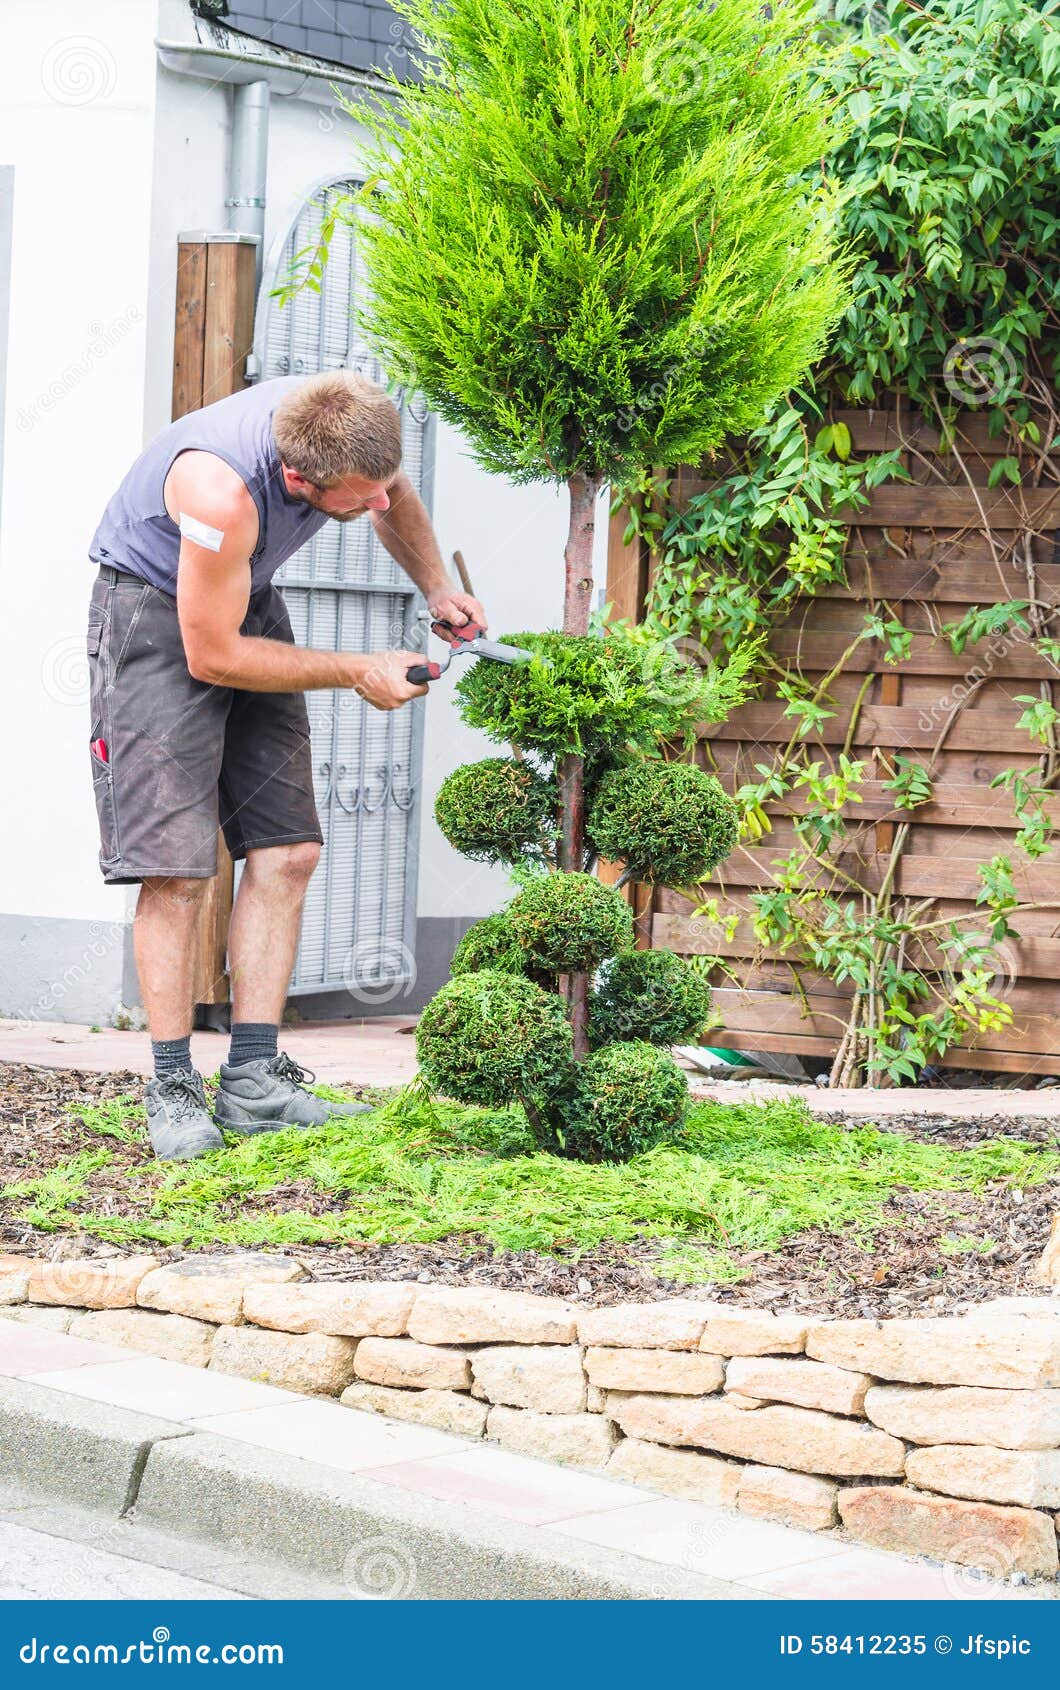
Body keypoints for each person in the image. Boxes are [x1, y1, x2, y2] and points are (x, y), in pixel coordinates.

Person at [87, 370, 486, 1161]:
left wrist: (438, 588)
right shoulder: (219, 494)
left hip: (246, 596)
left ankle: (254, 1081)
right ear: (301, 481)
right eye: (361, 499)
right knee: (176, 869)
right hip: (155, 618)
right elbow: (212, 654)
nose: (380, 504)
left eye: (383, 485)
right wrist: (357, 669)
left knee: (290, 848)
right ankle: (173, 1085)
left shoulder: (348, 424)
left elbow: (393, 494)